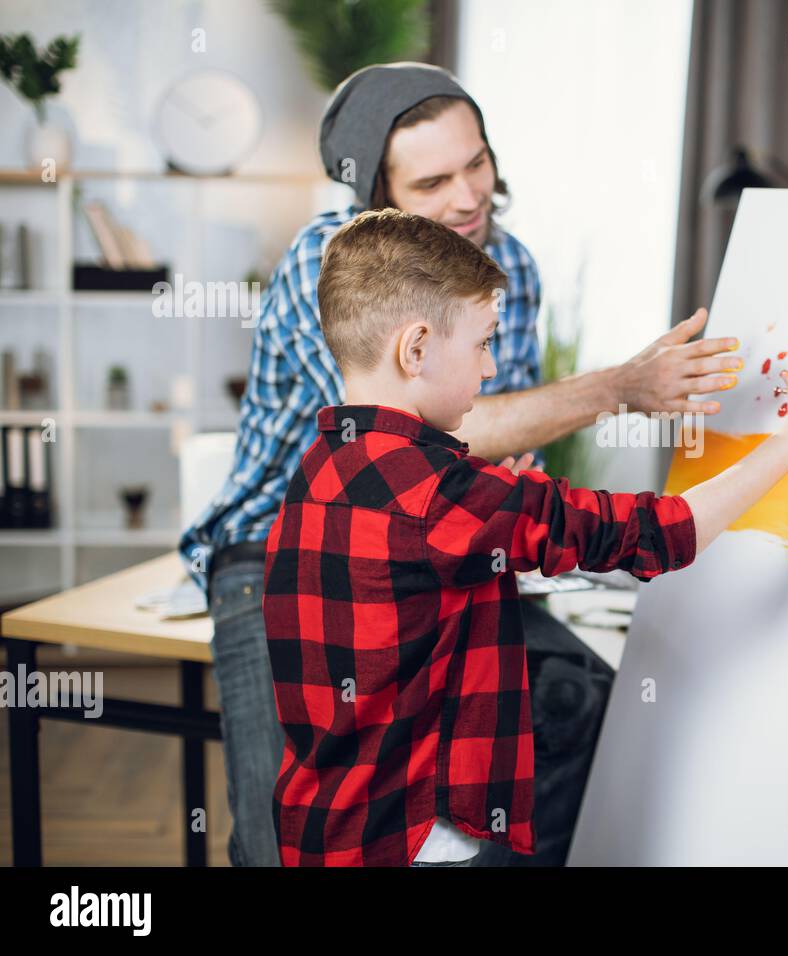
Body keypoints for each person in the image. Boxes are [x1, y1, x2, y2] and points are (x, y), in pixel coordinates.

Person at [178, 63, 742, 866]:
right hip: (283, 553)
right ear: (376, 197)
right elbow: (415, 454)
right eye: (434, 180)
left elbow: (488, 457)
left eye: (476, 162)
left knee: (581, 707)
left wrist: (534, 498)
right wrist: (618, 387)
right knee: (287, 839)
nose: (470, 195)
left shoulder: (504, 263)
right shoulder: (330, 265)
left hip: (431, 544)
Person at [262, 209, 788, 865]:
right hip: (410, 847)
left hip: (320, 829)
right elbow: (662, 534)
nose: (490, 369)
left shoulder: (324, 466)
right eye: (483, 342)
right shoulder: (442, 494)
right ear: (415, 348)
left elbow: (394, 597)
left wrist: (493, 537)